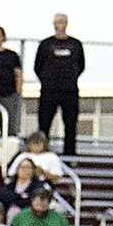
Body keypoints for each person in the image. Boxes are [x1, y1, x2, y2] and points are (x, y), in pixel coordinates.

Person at [33, 13, 85, 154]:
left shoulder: (75, 44)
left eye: (62, 22)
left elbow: (81, 66)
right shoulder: (45, 44)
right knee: (44, 124)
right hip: (49, 90)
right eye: (56, 22)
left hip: (69, 91)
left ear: (66, 24)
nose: (59, 25)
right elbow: (37, 67)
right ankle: (42, 153)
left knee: (70, 125)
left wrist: (69, 78)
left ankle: (70, 156)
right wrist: (48, 79)